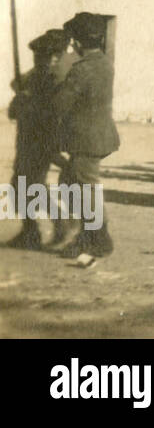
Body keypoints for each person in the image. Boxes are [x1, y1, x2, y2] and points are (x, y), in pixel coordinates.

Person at [50, 13, 120, 262]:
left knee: (85, 188)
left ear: (79, 42)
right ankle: (88, 235)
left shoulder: (82, 69)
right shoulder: (103, 62)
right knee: (70, 182)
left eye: (73, 41)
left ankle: (98, 239)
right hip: (98, 135)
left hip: (86, 138)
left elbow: (61, 104)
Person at [6, 29, 66, 249]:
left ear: (53, 56)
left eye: (43, 56)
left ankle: (60, 225)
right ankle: (30, 232)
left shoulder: (54, 81)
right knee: (20, 185)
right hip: (25, 140)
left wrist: (27, 102)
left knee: (33, 186)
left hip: (42, 140)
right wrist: (19, 99)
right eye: (37, 56)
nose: (40, 60)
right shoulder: (32, 78)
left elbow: (50, 113)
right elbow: (13, 112)